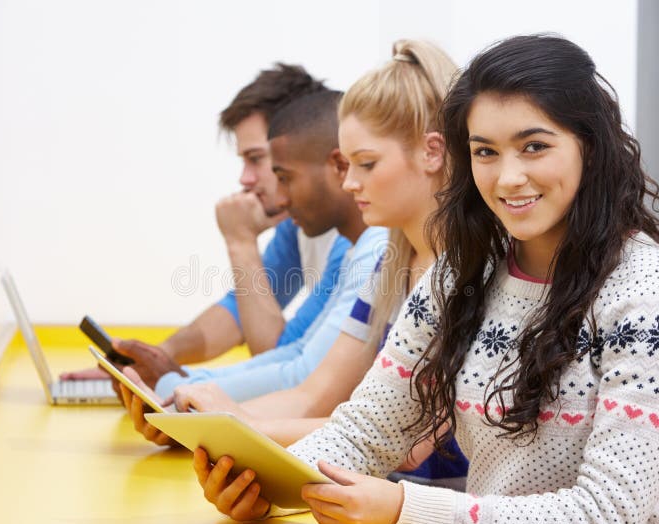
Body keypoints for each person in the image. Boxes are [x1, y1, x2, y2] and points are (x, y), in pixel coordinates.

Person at [192, 34, 659, 524]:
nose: (507, 176)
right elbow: (367, 433)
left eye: (534, 146)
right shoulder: (459, 275)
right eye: (485, 151)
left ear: (591, 146)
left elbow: (609, 517)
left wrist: (407, 511)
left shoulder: (655, 298)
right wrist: (264, 484)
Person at [168, 39, 468, 485]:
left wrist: (237, 425)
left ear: (433, 152)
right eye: (347, 165)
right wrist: (214, 423)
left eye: (365, 163)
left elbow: (391, 436)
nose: (348, 183)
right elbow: (316, 394)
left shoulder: (467, 274)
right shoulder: (389, 264)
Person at [119, 89, 387, 444]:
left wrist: (182, 393)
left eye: (260, 161)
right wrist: (176, 380)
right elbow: (280, 341)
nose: (274, 191)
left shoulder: (374, 248)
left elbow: (296, 371)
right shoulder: (333, 240)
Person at [61, 64, 351, 382]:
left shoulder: (355, 239)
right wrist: (147, 361)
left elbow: (281, 355)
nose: (245, 179)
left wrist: (240, 243)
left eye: (256, 159)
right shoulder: (297, 227)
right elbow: (240, 312)